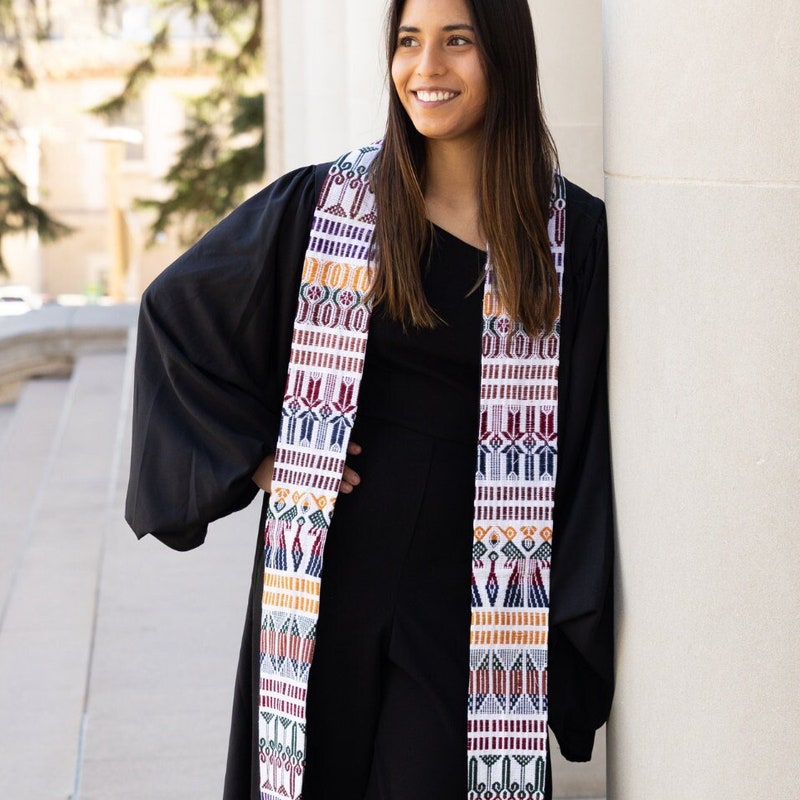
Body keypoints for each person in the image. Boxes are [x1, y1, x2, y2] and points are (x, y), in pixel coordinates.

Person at [125, 0, 614, 798]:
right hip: (328, 572)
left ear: (505, 54)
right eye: (409, 42)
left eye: (457, 41)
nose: (427, 69)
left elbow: (588, 441)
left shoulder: (568, 236)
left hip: (474, 596)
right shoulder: (328, 205)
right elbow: (174, 311)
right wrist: (256, 459)